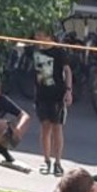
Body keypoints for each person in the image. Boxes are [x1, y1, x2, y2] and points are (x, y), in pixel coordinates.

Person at [31, 32, 74, 176]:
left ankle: (57, 162)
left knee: (57, 128)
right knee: (45, 128)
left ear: (48, 36)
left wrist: (68, 91)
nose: (37, 37)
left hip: (57, 95)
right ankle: (46, 161)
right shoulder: (36, 50)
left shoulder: (59, 51)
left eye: (40, 34)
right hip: (42, 95)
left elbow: (67, 71)